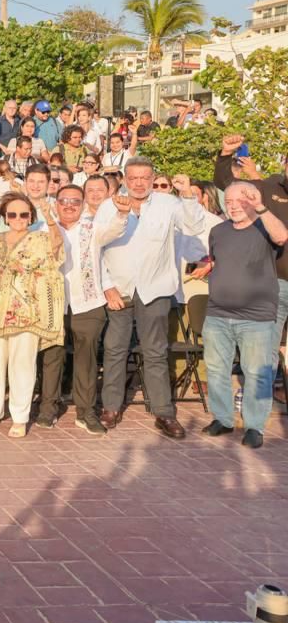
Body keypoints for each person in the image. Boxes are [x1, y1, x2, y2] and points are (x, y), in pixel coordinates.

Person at [97, 157, 211, 437]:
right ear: (124, 179)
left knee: (156, 351)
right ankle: (111, 407)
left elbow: (194, 226)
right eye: (133, 178)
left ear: (152, 179)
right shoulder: (109, 205)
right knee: (114, 349)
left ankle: (164, 413)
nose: (139, 183)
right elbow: (97, 243)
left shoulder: (168, 203)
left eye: (144, 178)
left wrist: (187, 195)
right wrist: (107, 285)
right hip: (120, 289)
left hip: (155, 288)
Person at [38, 184, 130, 433]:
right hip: (53, 304)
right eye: (64, 201)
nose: (69, 206)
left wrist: (122, 213)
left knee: (86, 360)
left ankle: (86, 412)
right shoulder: (43, 230)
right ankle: (48, 408)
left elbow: (114, 231)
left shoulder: (92, 229)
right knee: (52, 358)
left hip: (88, 304)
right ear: (56, 203)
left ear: (83, 205)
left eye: (75, 202)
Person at [200, 182, 287, 449]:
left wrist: (260, 206)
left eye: (240, 200)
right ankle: (223, 419)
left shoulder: (265, 228)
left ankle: (254, 426)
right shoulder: (218, 231)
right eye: (229, 201)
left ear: (252, 201)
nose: (233, 205)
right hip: (218, 313)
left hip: (256, 316)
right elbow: (217, 261)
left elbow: (282, 236)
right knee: (216, 369)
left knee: (257, 373)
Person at [0, 192, 66, 438]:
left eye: (23, 214)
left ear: (30, 217)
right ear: (5, 217)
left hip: (27, 313)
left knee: (22, 366)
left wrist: (50, 217)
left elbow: (58, 249)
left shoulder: (40, 238)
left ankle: (20, 417)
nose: (18, 219)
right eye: (12, 214)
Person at [214, 134, 288, 340]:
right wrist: (226, 154)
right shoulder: (269, 188)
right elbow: (227, 183)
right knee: (267, 346)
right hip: (278, 283)